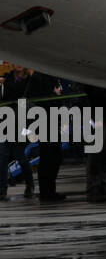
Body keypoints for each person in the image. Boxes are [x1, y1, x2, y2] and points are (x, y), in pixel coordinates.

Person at [23, 70, 66, 202]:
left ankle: (48, 191)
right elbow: (44, 100)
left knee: (52, 157)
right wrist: (56, 96)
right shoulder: (41, 77)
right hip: (45, 122)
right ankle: (47, 192)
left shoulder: (45, 76)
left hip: (49, 121)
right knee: (50, 157)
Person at [0, 65, 35, 200]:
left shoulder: (29, 80)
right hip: (6, 121)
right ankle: (2, 189)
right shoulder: (8, 79)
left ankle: (29, 185)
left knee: (20, 157)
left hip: (21, 122)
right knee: (3, 157)